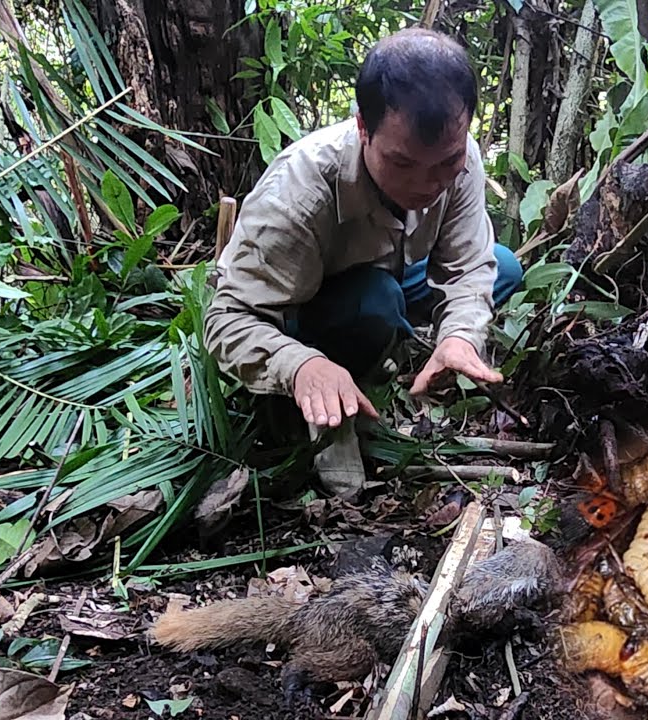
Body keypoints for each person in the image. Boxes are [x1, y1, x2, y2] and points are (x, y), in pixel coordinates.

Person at [204, 27, 524, 500]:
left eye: (445, 164)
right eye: (402, 164)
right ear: (362, 129)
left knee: (504, 266)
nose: (426, 185)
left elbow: (470, 265)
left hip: (392, 272)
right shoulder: (296, 196)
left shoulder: (461, 160)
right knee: (376, 301)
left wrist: (459, 335)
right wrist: (300, 365)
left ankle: (409, 350)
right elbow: (226, 318)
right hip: (307, 304)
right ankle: (328, 415)